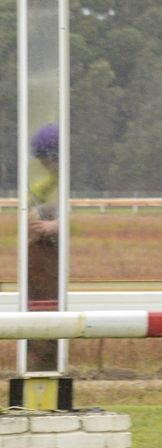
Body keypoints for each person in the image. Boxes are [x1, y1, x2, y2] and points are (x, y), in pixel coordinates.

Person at [27, 122, 61, 370]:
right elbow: (32, 208)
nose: (48, 166)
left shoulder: (72, 179)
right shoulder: (46, 184)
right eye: (44, 161)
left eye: (49, 160)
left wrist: (55, 226)